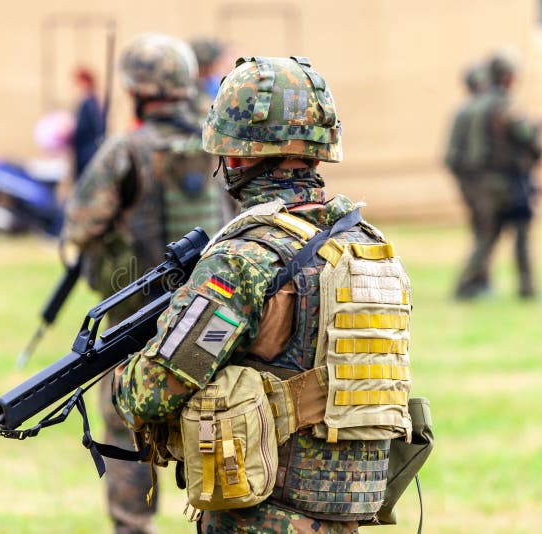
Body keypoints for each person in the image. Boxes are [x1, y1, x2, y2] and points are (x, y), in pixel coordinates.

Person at [112, 56, 415, 533]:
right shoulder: (370, 248)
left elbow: (149, 394)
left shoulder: (244, 260)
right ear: (320, 150)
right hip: (352, 515)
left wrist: (126, 370)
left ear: (234, 156)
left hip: (265, 517)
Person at [63, 33, 229, 534]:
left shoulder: (126, 151)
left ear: (135, 90)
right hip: (213, 325)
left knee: (124, 438)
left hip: (137, 329)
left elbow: (78, 225)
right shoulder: (219, 145)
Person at [453, 50, 542, 300]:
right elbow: (525, 137)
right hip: (510, 182)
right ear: (508, 77)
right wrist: (536, 134)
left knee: (487, 236)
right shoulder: (503, 105)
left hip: (486, 183)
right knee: (519, 234)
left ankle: (468, 283)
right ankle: (526, 288)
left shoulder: (477, 105)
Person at [444, 64, 490, 293]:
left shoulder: (471, 111)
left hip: (475, 182)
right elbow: (454, 156)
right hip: (474, 183)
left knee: (483, 231)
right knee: (484, 232)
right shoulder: (468, 113)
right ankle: (468, 283)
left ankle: (482, 281)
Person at [71, 67, 106, 180]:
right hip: (83, 148)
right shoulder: (88, 101)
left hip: (88, 151)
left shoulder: (90, 102)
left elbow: (98, 127)